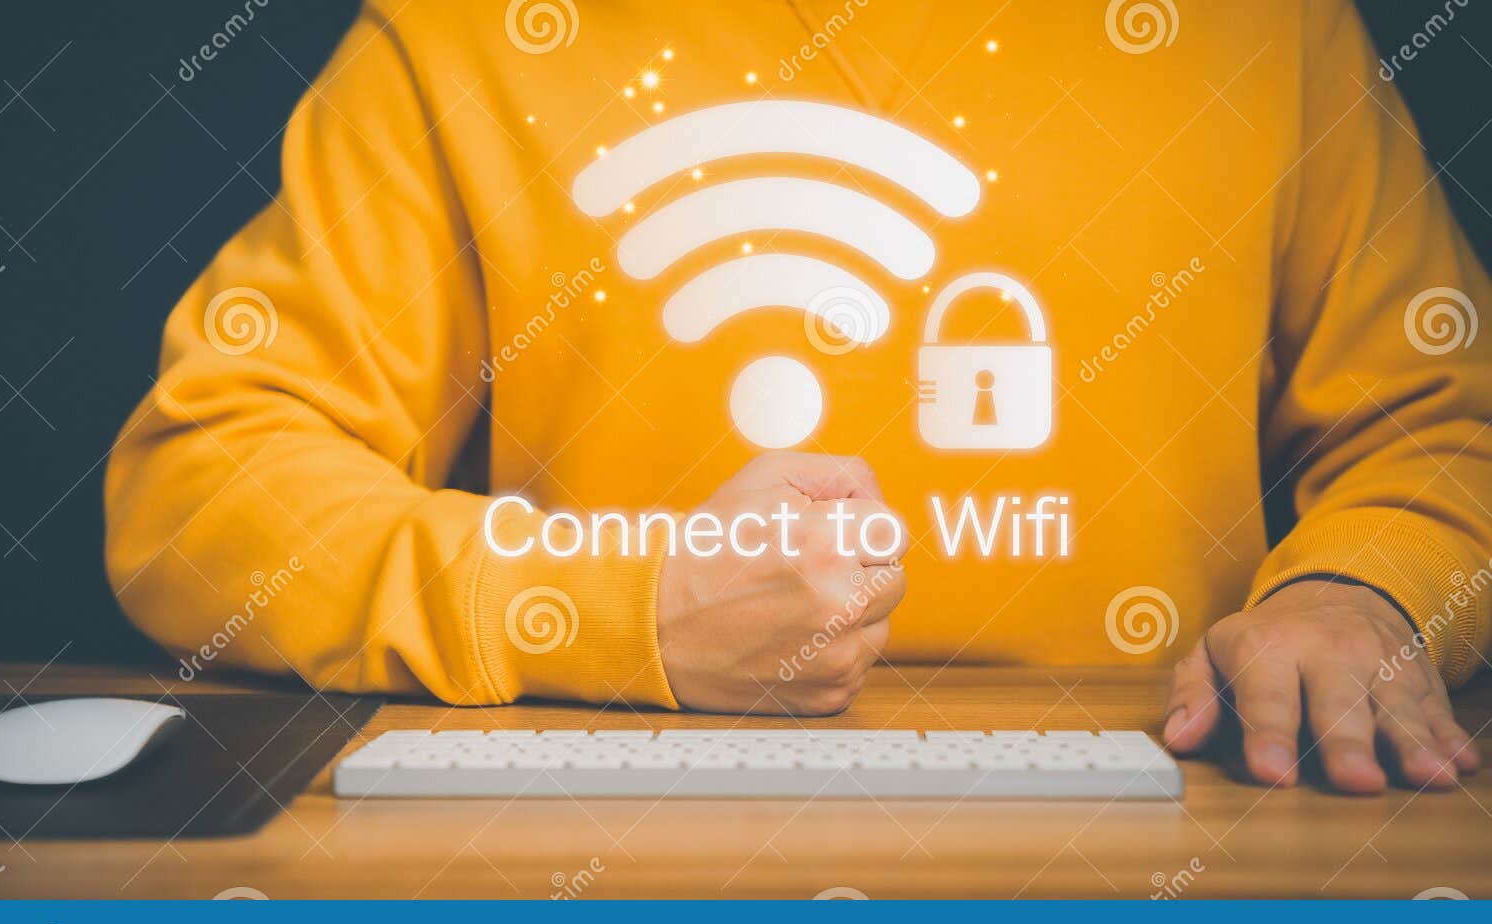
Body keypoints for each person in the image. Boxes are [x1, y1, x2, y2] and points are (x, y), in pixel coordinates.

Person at [105, 1, 1490, 793]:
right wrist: (611, 603)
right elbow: (203, 481)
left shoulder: (1259, 30)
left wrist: (1363, 593)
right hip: (620, 830)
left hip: (1171, 828)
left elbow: (1442, 427)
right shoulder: (465, 35)